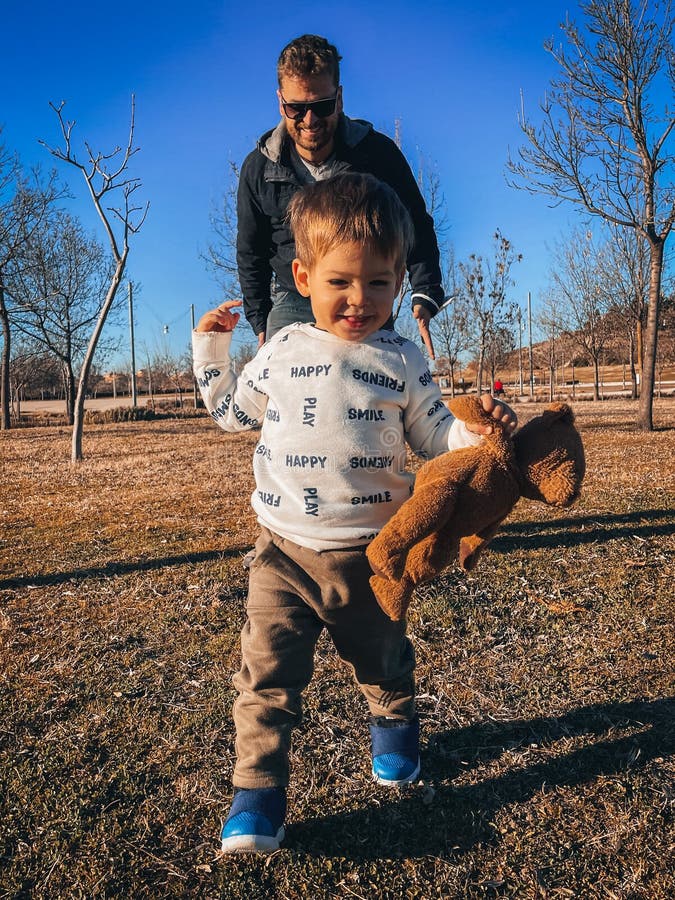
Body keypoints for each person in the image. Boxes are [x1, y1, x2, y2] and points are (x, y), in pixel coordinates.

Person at [193, 173, 517, 854]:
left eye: (378, 282)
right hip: (282, 554)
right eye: (340, 281)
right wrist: (210, 350)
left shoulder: (401, 359)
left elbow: (435, 436)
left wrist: (477, 430)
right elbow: (229, 414)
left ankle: (394, 723)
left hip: (374, 555)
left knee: (383, 659)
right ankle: (257, 792)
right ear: (303, 277)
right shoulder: (281, 349)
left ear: (398, 282)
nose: (359, 299)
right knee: (266, 678)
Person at [237, 33, 446, 357]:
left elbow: (415, 223)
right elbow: (251, 251)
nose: (310, 120)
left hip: (361, 293)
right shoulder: (258, 168)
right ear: (280, 102)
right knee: (279, 379)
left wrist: (425, 292)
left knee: (376, 377)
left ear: (340, 98)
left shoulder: (378, 155)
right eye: (296, 108)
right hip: (293, 299)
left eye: (322, 106)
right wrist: (260, 320)